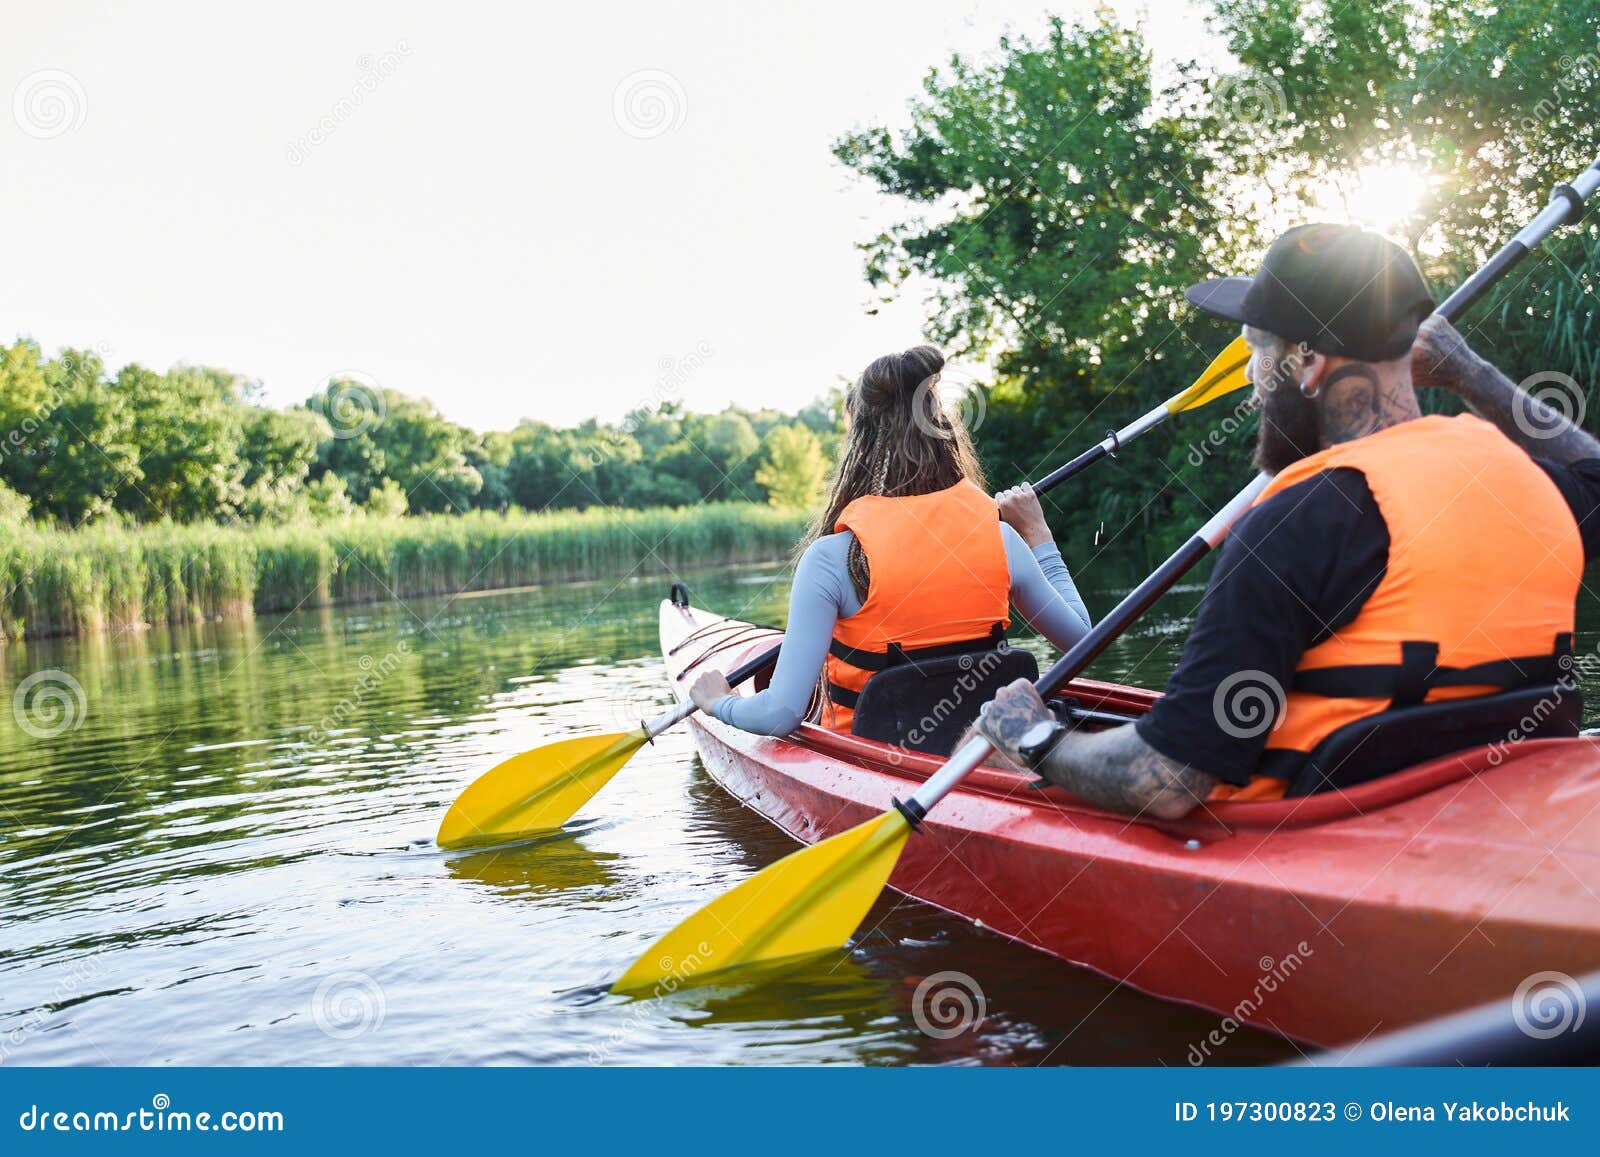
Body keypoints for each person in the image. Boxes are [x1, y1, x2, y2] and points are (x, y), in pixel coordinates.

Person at [976, 223, 1600, 816]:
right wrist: (1470, 373)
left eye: (1256, 354)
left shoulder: (1292, 525)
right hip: (1499, 815)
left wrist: (1035, 738)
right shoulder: (1526, 481)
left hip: (1327, 851)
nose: (1250, 381)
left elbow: (1166, 781)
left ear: (1306, 364)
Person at [687, 344, 1092, 748]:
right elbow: (1084, 641)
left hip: (877, 765)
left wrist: (719, 702)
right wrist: (1038, 533)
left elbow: (779, 714)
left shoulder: (833, 560)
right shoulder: (1002, 539)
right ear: (944, 431)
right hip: (989, 754)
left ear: (857, 444)